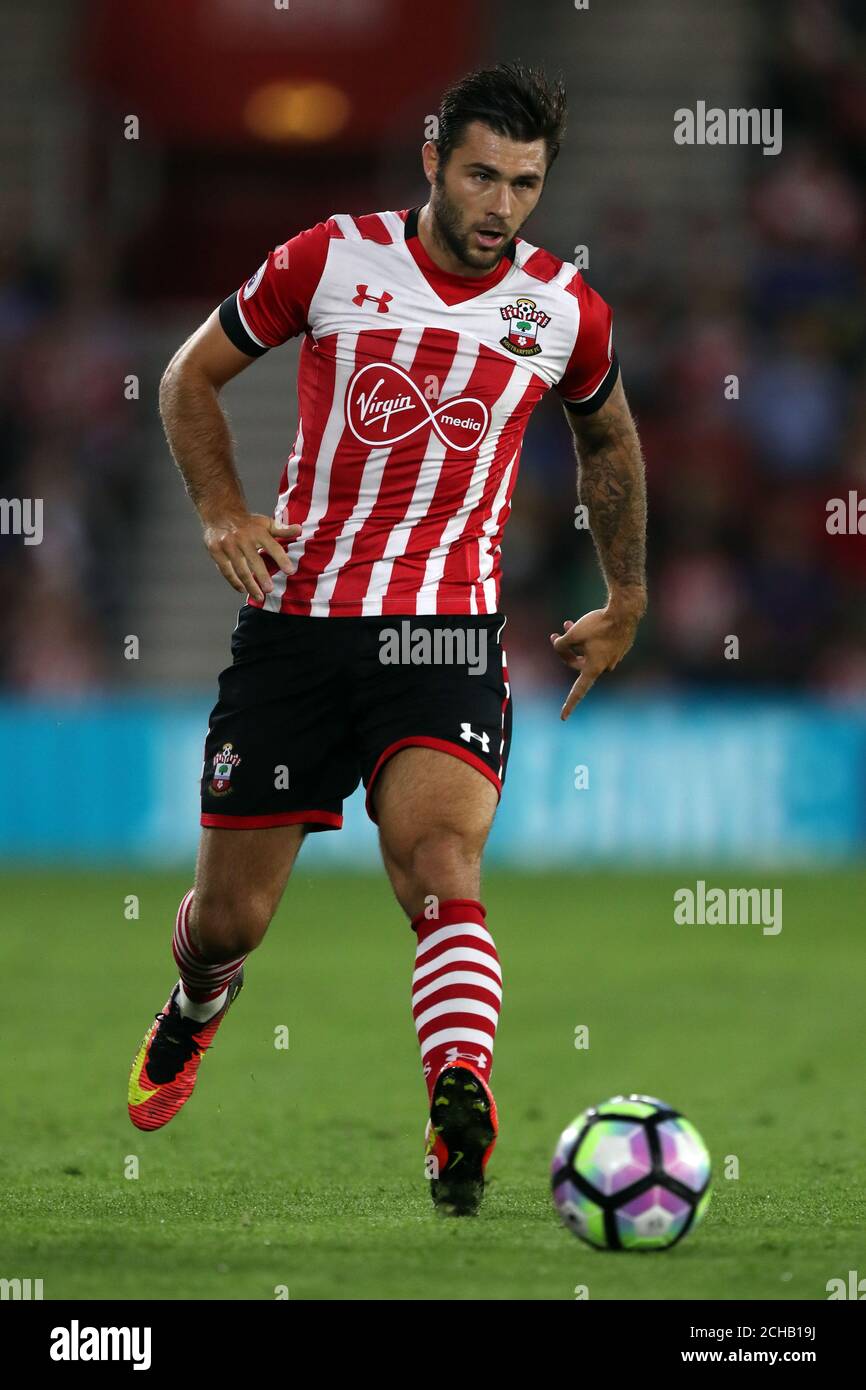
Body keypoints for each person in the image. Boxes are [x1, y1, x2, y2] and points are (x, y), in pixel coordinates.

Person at [128, 61, 647, 1216]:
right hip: (298, 632)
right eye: (479, 174)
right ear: (430, 161)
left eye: (522, 182)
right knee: (228, 921)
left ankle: (456, 1097)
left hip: (442, 637)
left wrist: (626, 593)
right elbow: (186, 378)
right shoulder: (330, 259)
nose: (499, 204)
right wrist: (221, 509)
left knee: (440, 870)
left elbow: (606, 440)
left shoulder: (560, 308)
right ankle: (196, 1006)